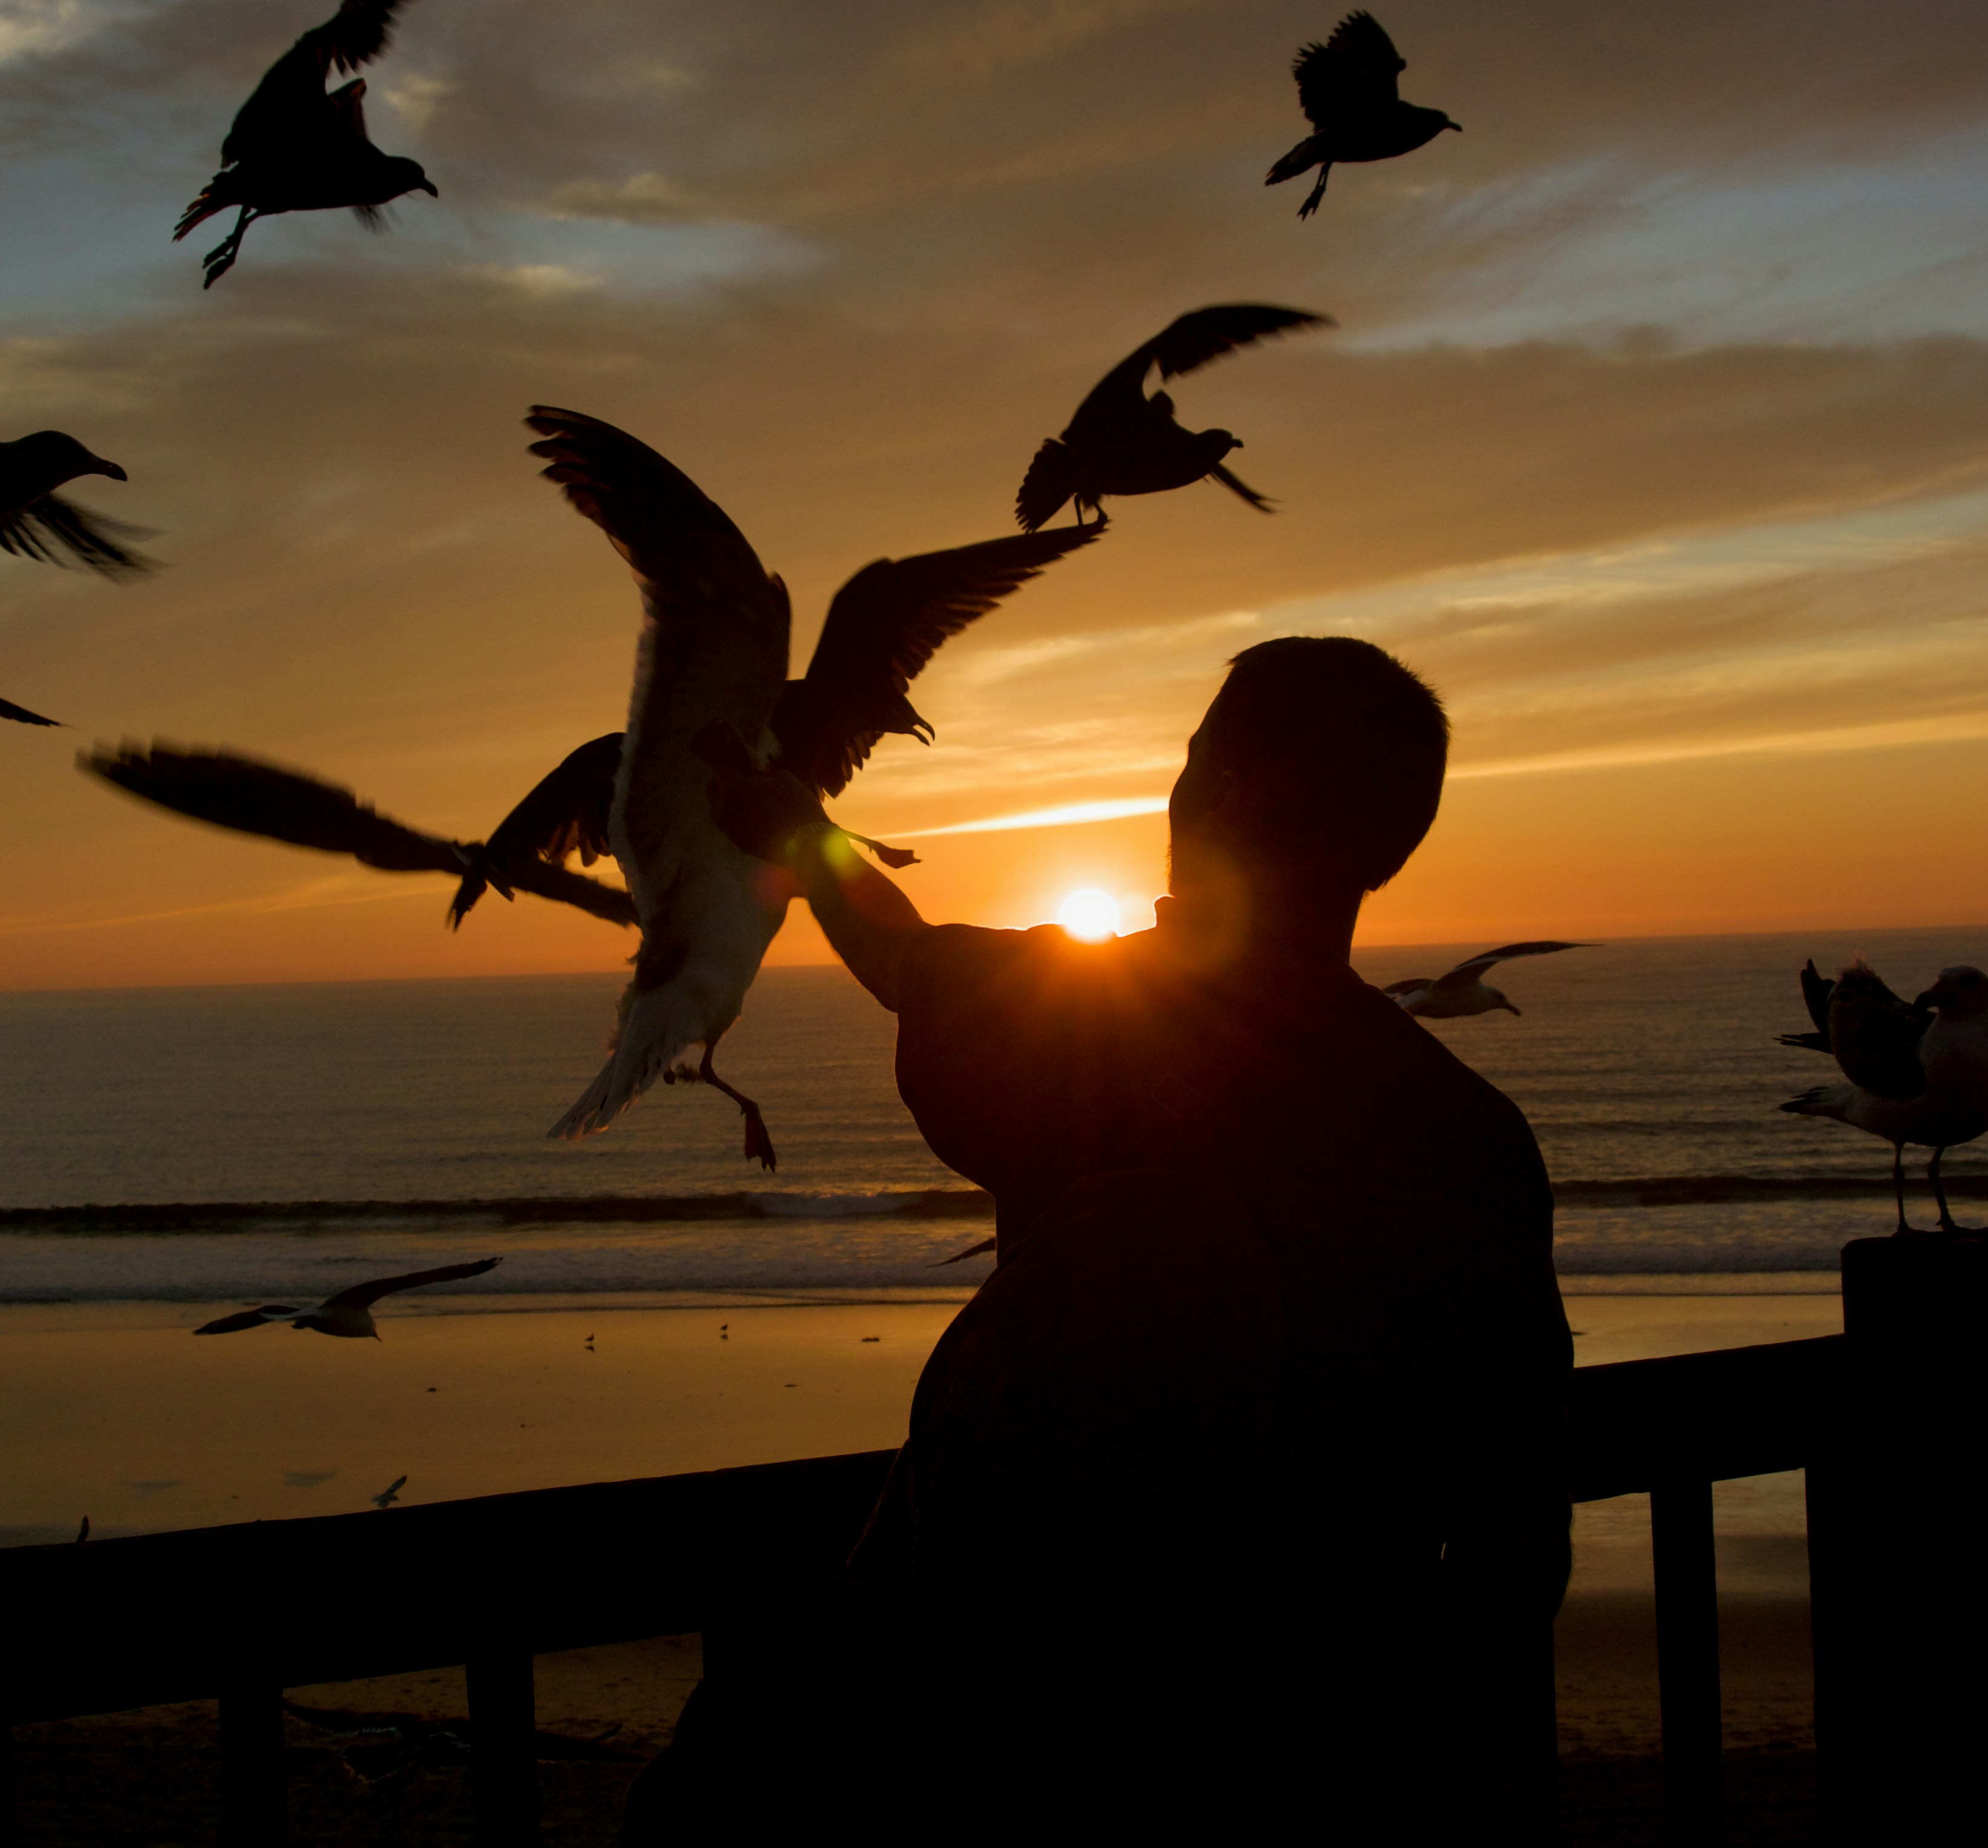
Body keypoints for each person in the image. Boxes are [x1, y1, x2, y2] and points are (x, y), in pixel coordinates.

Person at [623, 637, 1572, 1843]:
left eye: (1192, 763)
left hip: (1051, 1748)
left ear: (1216, 795)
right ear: (1388, 847)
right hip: (1330, 1766)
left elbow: (911, 961)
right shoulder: (1477, 1144)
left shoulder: (1097, 1029)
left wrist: (807, 838)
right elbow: (1517, 1539)